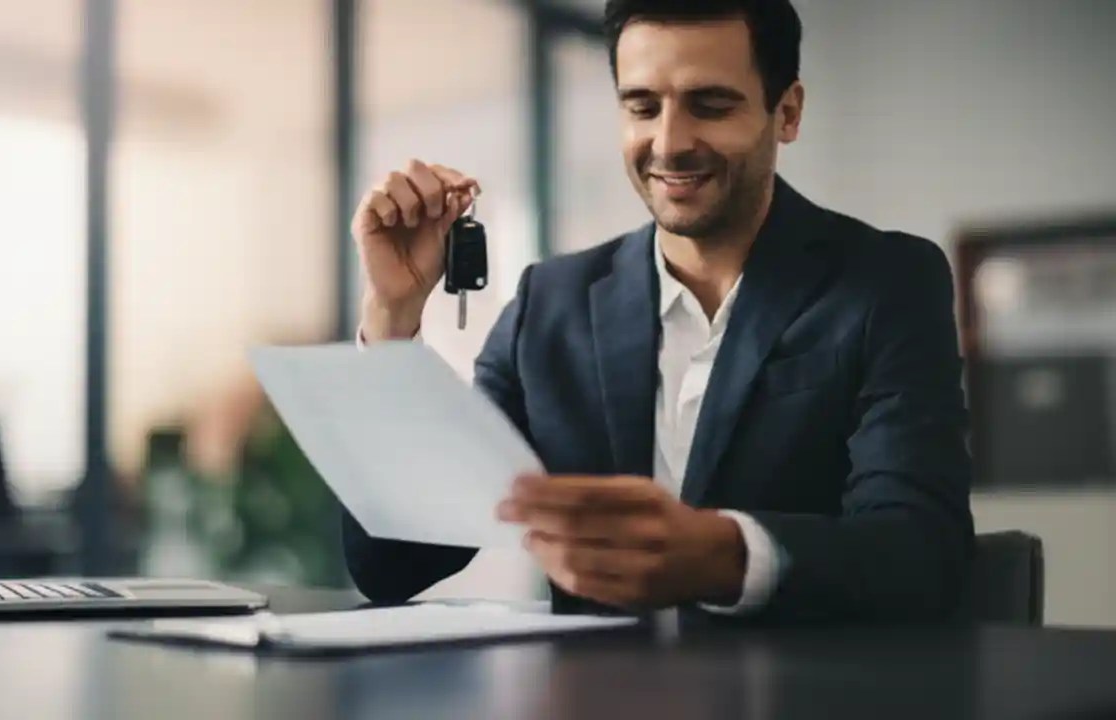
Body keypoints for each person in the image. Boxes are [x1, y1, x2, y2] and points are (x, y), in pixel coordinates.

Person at [343, 0, 973, 624]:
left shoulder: (887, 283)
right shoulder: (549, 305)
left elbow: (919, 553)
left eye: (711, 104)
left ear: (787, 112)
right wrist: (393, 321)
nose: (669, 144)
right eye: (642, 106)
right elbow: (395, 563)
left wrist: (723, 554)